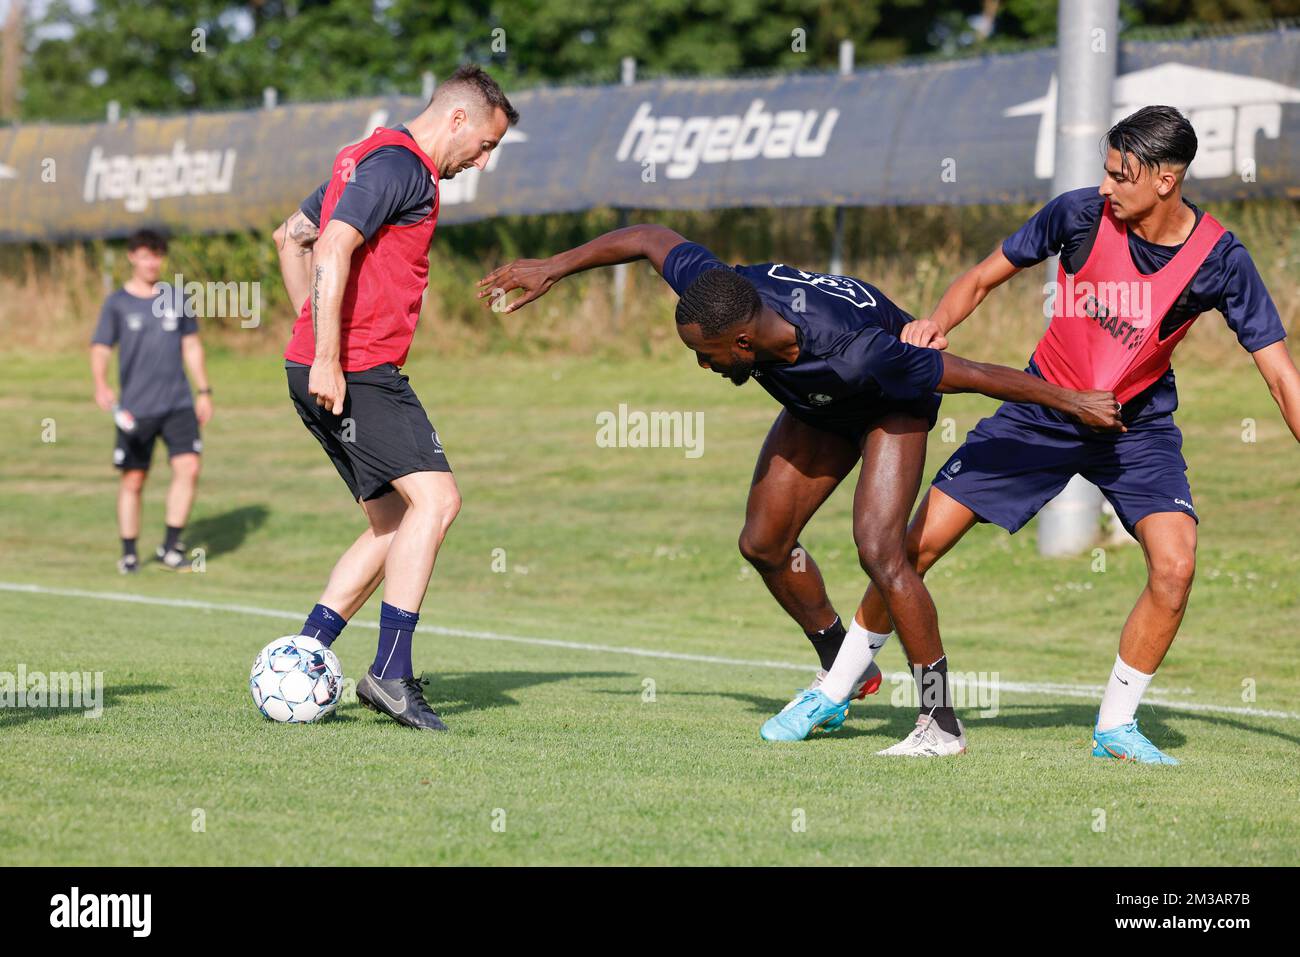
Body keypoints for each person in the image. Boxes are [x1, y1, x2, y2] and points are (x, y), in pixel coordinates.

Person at [479, 224, 1121, 750]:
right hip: (819, 405)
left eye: (707, 356)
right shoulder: (718, 294)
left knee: (881, 551)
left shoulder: (859, 351)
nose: (702, 365)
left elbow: (975, 373)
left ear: (741, 341)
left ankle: (939, 721)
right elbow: (648, 238)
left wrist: (1076, 403)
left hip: (888, 401)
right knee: (763, 542)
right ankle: (847, 660)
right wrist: (555, 267)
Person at [832, 105, 1299, 763]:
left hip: (1134, 429)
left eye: (1120, 175)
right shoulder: (1079, 214)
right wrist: (937, 322)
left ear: (1167, 179)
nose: (1105, 187)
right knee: (915, 544)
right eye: (1104, 172)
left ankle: (1115, 727)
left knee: (1176, 563)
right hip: (1041, 411)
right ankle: (836, 684)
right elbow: (986, 275)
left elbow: (1281, 375)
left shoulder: (1219, 260)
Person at [273, 65, 518, 733]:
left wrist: (311, 331)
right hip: (358, 368)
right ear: (459, 119)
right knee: (437, 501)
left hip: (327, 364)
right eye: (487, 145)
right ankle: (390, 671)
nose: (483, 161)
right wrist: (327, 350)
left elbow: (288, 236)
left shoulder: (363, 155)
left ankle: (306, 653)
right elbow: (331, 245)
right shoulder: (402, 166)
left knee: (392, 523)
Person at [90, 228, 212, 574]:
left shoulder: (176, 297)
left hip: (178, 403)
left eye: (157, 255)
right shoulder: (117, 303)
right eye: (145, 255)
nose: (151, 262)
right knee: (134, 479)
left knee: (189, 467)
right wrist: (100, 383)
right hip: (136, 408)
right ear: (132, 257)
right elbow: (100, 347)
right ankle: (129, 551)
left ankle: (170, 548)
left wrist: (204, 390)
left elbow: (191, 345)